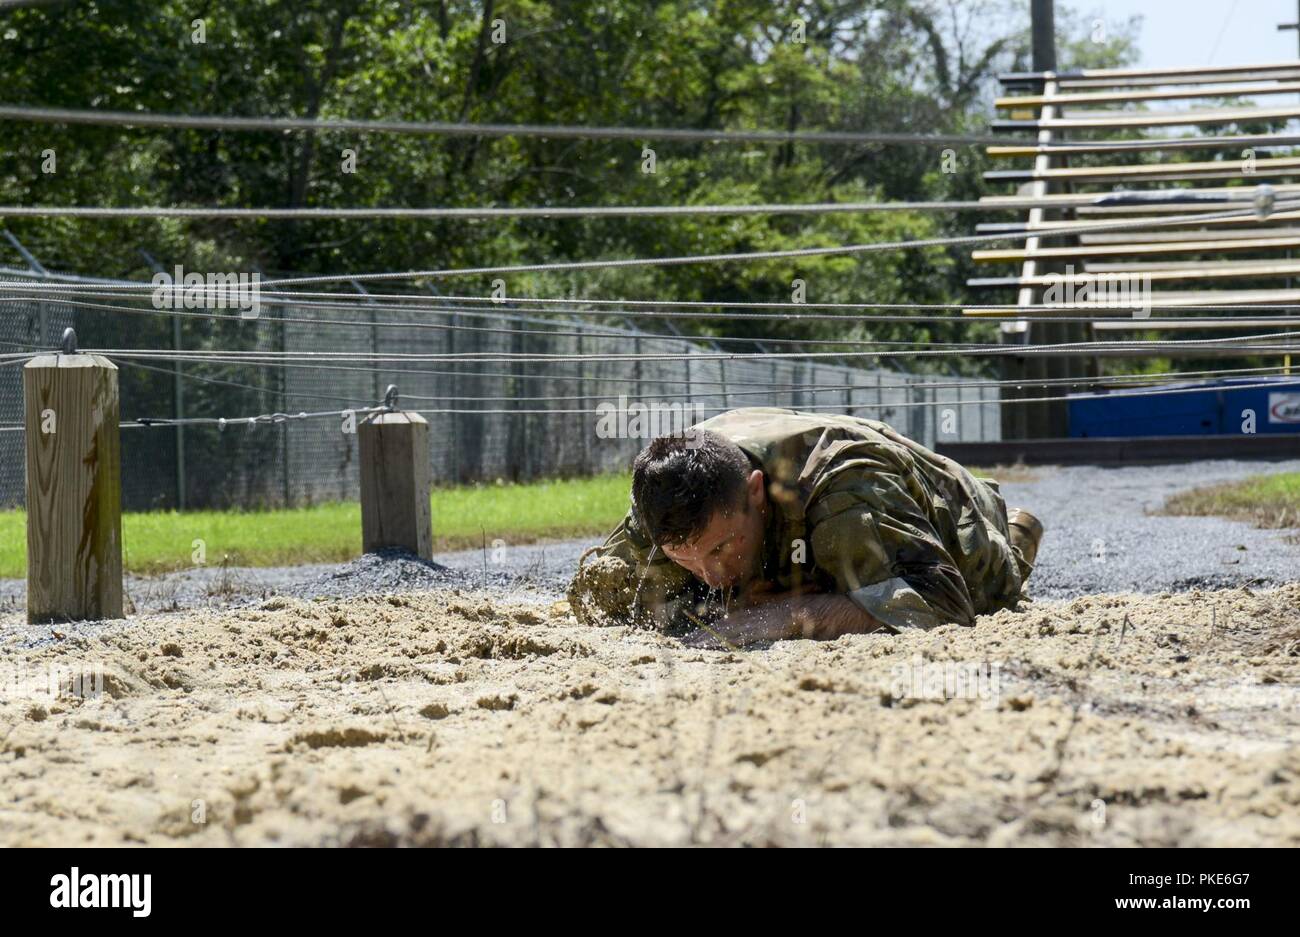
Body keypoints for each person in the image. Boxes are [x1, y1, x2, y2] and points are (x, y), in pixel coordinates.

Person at [566, 407, 1042, 648]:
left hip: (949, 504)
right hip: (787, 514)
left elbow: (944, 603)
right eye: (685, 558)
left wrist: (790, 614)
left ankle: (1017, 532)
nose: (708, 574)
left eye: (719, 549)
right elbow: (598, 596)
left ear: (755, 492)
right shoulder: (666, 504)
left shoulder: (845, 491)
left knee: (991, 584)